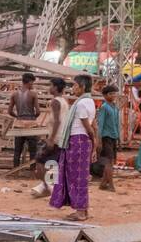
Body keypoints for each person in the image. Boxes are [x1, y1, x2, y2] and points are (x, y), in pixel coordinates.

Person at [50, 74, 98, 220]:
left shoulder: (82, 104)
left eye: (75, 85)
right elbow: (93, 124)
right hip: (81, 141)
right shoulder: (89, 102)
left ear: (82, 86)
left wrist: (94, 142)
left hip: (78, 140)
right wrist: (94, 144)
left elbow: (88, 127)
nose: (73, 88)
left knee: (76, 177)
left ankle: (80, 211)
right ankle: (83, 208)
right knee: (79, 176)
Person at [9, 72, 39, 168]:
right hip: (31, 124)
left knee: (17, 150)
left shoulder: (14, 94)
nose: (32, 85)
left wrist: (17, 116)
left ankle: (15, 169)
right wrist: (33, 117)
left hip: (19, 124)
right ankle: (32, 169)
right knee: (33, 150)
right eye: (32, 83)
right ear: (29, 82)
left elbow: (9, 111)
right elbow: (38, 111)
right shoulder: (33, 94)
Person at [96, 83, 120, 192]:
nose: (113, 95)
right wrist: (99, 140)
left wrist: (118, 136)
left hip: (113, 136)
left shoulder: (115, 107)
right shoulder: (104, 107)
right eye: (111, 94)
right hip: (106, 137)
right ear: (105, 95)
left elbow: (117, 123)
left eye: (114, 93)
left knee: (111, 161)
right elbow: (100, 125)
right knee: (109, 162)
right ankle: (110, 184)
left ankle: (103, 184)